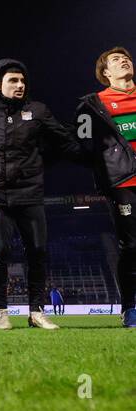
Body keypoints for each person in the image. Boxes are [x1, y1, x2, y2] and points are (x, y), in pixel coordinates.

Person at [0, 59, 81, 329]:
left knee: (38, 251)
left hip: (29, 193)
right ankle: (1, 313)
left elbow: (65, 141)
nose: (20, 85)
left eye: (22, 81)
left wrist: (93, 155)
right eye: (13, 81)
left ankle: (36, 312)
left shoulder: (38, 111)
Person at [76, 46, 136, 327]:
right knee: (131, 246)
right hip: (124, 182)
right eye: (116, 60)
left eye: (126, 57)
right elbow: (85, 146)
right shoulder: (93, 104)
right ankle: (130, 308)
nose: (124, 60)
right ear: (105, 73)